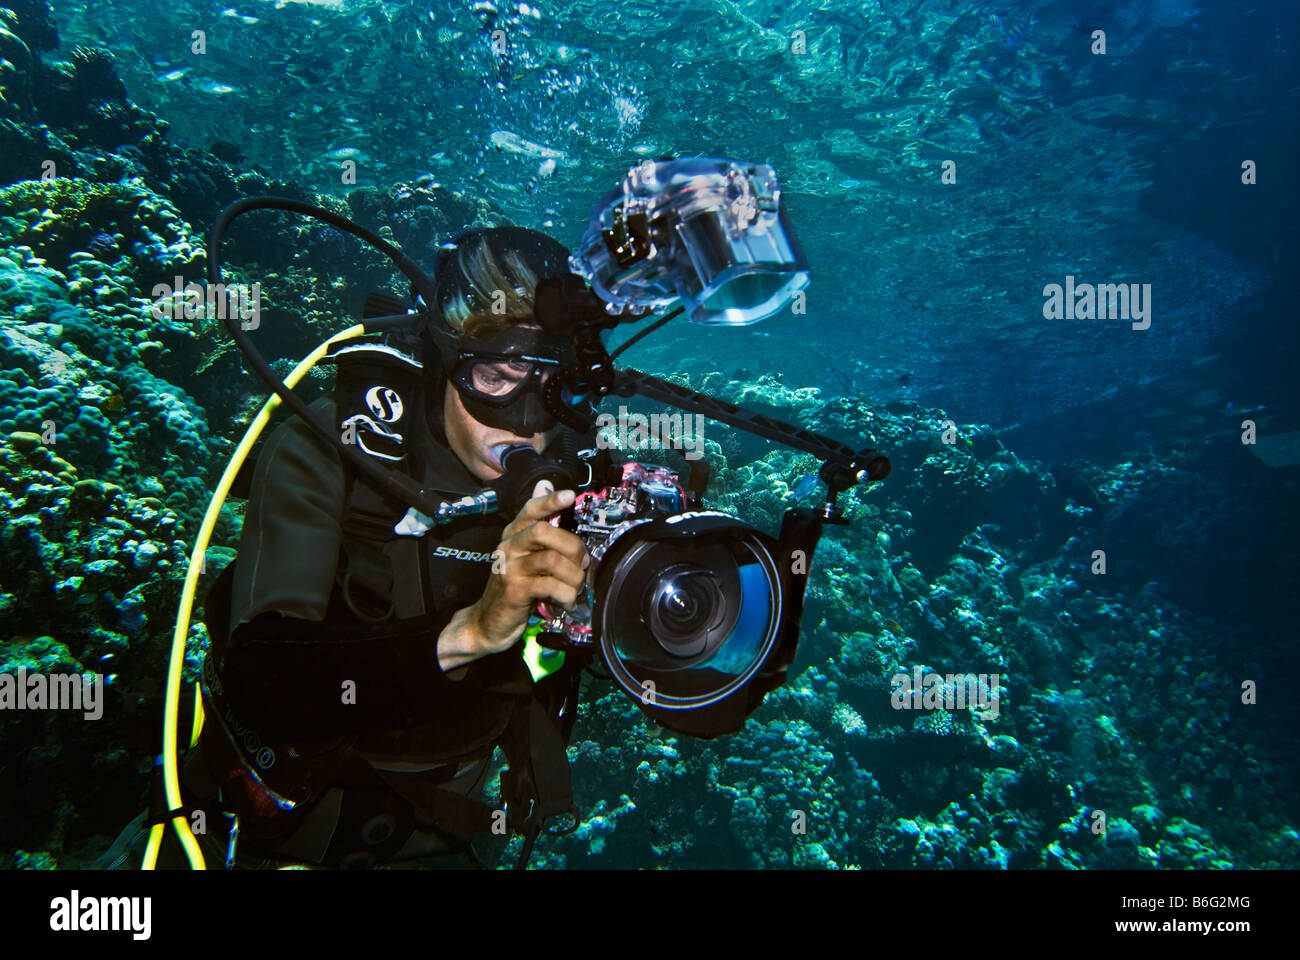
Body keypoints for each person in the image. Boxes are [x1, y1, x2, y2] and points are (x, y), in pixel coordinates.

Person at [99, 226, 596, 869]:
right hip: (260, 839)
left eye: (554, 388)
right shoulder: (332, 445)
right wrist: (471, 632)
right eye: (496, 378)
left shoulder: (575, 478)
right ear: (444, 360)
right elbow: (260, 680)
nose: (528, 421)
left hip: (446, 842)